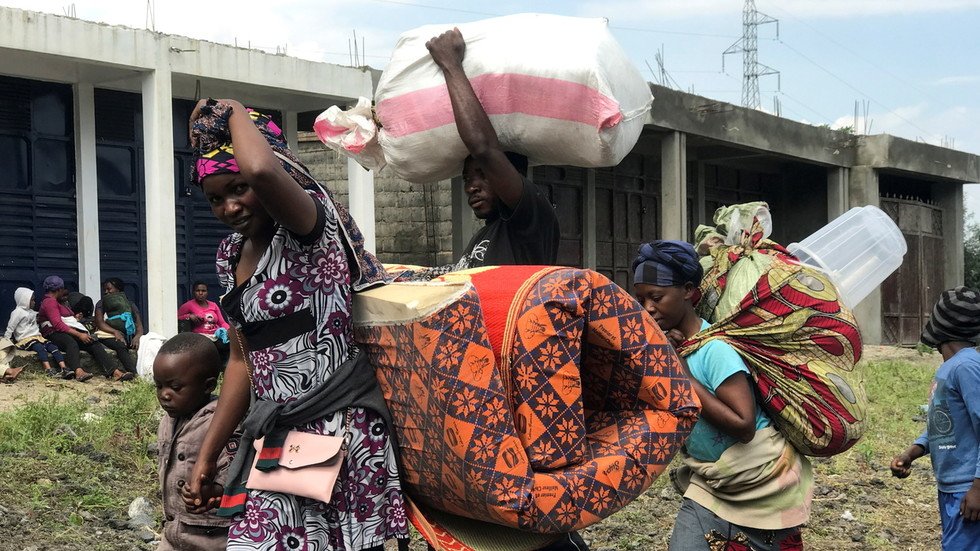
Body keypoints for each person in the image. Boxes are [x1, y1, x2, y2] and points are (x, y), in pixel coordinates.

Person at [184, 98, 406, 551]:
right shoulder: (230, 256)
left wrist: (233, 113)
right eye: (215, 199)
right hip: (282, 434)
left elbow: (265, 171)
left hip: (338, 432)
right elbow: (242, 360)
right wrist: (207, 455)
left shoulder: (310, 231)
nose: (229, 207)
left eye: (239, 188)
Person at [632, 241, 811, 551]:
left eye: (656, 297)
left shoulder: (716, 350)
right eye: (641, 299)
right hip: (710, 480)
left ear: (688, 290)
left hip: (759, 482)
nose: (648, 308)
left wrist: (682, 377)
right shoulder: (672, 347)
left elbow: (743, 425)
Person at [426, 28, 560, 273]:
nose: (470, 186)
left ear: (511, 172)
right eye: (467, 178)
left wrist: (450, 65)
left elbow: (483, 148)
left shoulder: (532, 217)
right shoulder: (486, 234)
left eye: (483, 174)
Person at [891, 286, 980, 550]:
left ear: (938, 325)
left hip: (967, 486)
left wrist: (978, 488)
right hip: (951, 486)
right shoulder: (949, 369)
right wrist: (912, 453)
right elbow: (943, 423)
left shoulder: (966, 367)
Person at [155, 333, 235, 551]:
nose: (165, 395)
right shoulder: (168, 420)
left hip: (211, 536)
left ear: (208, 385)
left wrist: (215, 490)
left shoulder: (221, 422)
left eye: (175, 387)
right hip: (173, 532)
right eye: (159, 386)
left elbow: (237, 473)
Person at [67, 292, 137, 381]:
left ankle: (119, 373)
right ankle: (78, 371)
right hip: (71, 336)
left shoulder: (92, 320)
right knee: (75, 344)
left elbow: (98, 325)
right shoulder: (67, 316)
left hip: (92, 337)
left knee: (100, 343)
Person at [4, 287, 69, 378]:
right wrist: (7, 340)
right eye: (32, 300)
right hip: (25, 339)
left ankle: (64, 368)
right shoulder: (17, 313)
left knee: (53, 347)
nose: (34, 302)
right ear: (24, 300)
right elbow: (11, 327)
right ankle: (48, 369)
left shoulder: (32, 312)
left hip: (37, 337)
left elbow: (39, 318)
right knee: (40, 348)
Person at [177, 281, 230, 365]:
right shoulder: (189, 305)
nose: (200, 293)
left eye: (203, 291)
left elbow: (222, 322)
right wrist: (189, 316)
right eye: (197, 291)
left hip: (215, 335)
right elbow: (176, 317)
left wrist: (229, 331)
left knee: (227, 344)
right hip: (200, 336)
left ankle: (223, 369)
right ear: (193, 292)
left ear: (207, 292)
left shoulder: (213, 305)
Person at [94, 277, 144, 350]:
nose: (106, 292)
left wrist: (137, 337)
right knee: (121, 347)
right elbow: (100, 323)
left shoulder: (130, 304)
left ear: (118, 289)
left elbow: (139, 326)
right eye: (104, 290)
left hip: (130, 336)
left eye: (109, 289)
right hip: (112, 335)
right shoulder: (101, 303)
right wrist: (115, 332)